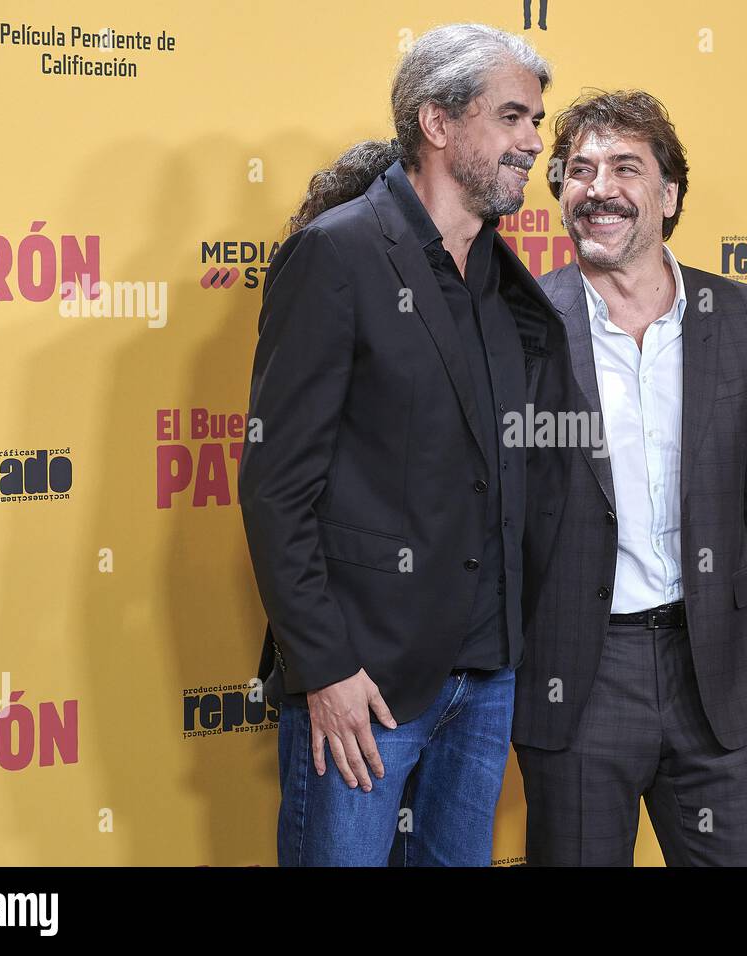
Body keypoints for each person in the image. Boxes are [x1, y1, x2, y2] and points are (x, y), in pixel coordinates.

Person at [238, 23, 571, 867]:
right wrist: (326, 669)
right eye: (513, 117)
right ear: (437, 122)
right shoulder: (338, 254)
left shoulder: (505, 279)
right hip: (368, 683)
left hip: (487, 681)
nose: (535, 142)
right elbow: (276, 487)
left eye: (536, 120)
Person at [513, 89, 747, 866]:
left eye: (626, 166)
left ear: (670, 193)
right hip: (579, 682)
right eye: (578, 169)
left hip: (713, 675)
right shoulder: (520, 319)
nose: (599, 188)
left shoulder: (744, 316)